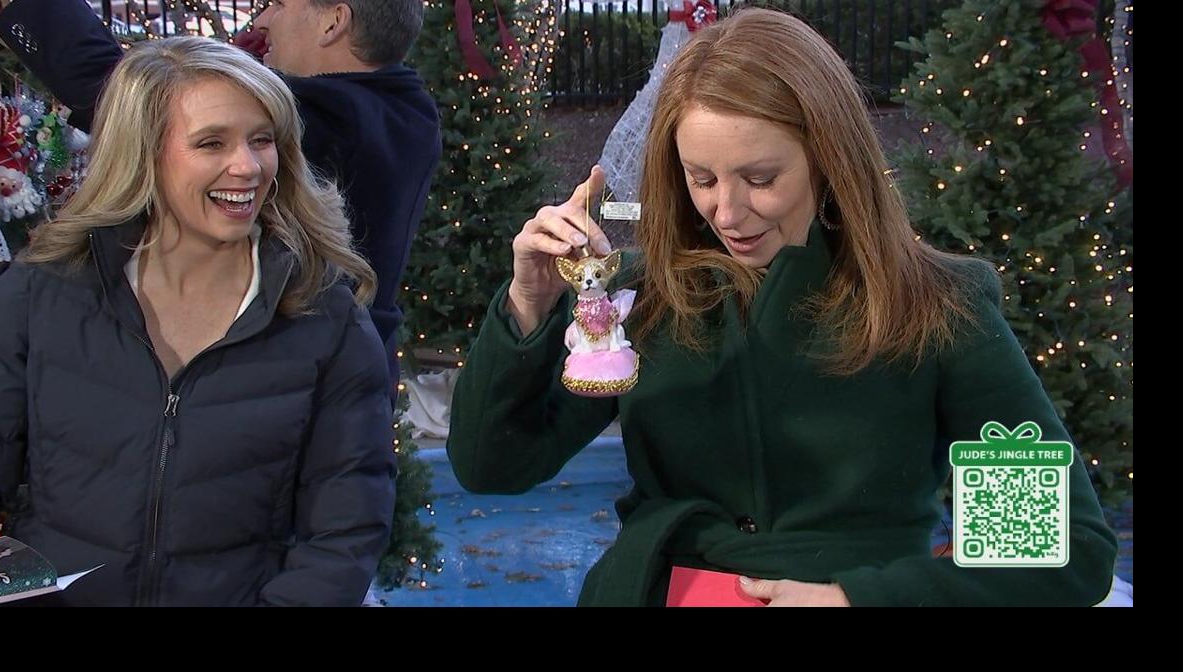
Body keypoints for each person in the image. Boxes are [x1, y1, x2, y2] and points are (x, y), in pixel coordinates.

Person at [445, 8, 1118, 606]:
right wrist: (528, 304)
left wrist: (861, 598)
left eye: (760, 179)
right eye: (701, 179)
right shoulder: (636, 301)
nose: (728, 213)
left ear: (829, 159)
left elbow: (1061, 551)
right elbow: (493, 467)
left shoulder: (938, 305)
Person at [0, 37, 396, 607]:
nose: (247, 167)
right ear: (143, 153)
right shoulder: (41, 293)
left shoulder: (325, 316)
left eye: (262, 140)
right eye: (211, 143)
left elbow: (342, 535)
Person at [0, 0, 441, 394]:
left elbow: (138, 101)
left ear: (333, 21)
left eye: (280, 3)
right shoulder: (406, 109)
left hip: (291, 383)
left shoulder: (335, 115)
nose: (262, 20)